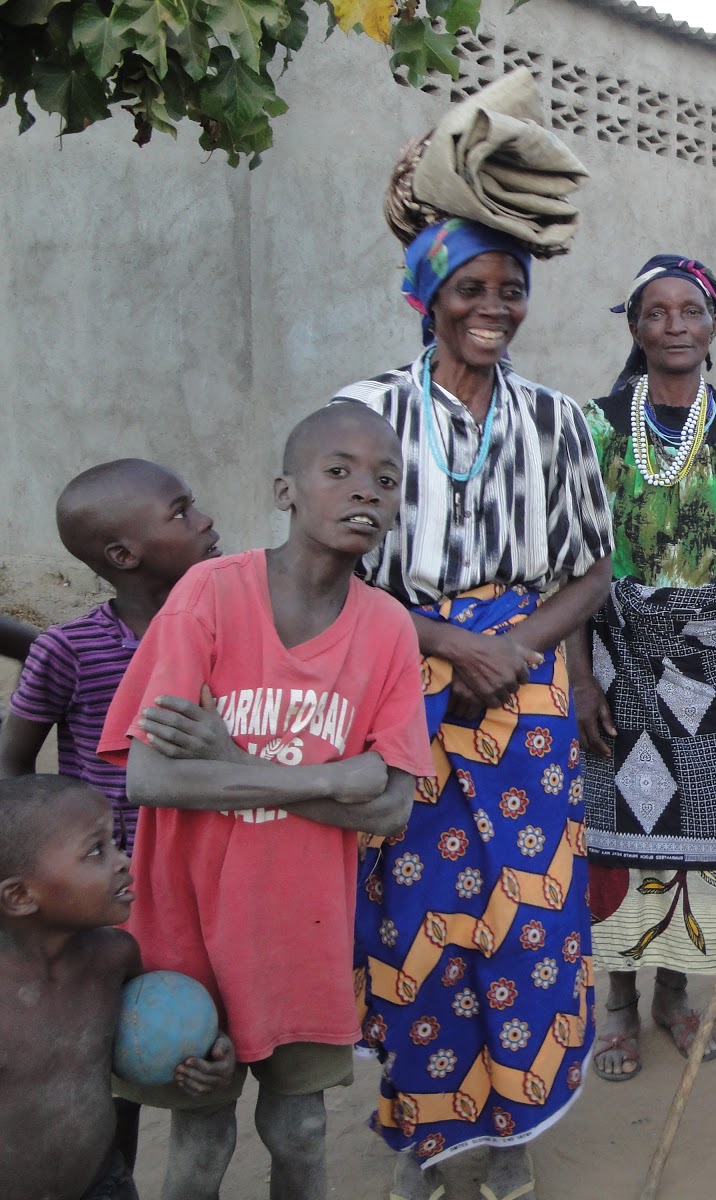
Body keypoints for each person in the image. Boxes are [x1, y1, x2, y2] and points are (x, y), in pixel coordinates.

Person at [333, 216, 614, 1195]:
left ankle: (511, 1128)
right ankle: (431, 1125)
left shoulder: (557, 420)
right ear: (428, 296)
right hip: (399, 674)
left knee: (526, 913)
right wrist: (448, 642)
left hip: (521, 692)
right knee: (420, 910)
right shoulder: (365, 412)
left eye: (511, 290)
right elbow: (330, 568)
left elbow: (593, 569)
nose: (494, 309)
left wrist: (514, 649)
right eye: (472, 289)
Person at [97, 404, 435, 1200]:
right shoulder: (210, 595)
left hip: (298, 933)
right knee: (203, 1141)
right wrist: (325, 776)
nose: (367, 492)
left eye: (386, 481)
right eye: (340, 471)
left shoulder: (386, 628)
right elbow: (150, 777)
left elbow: (390, 809)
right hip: (188, 931)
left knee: (302, 1131)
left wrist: (226, 760)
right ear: (286, 489)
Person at [571, 253, 716, 1082]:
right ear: (635, 327)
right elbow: (577, 558)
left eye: (690, 311)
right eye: (655, 312)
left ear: (714, 324)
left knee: (705, 838)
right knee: (619, 840)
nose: (674, 325)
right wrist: (581, 679)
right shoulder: (596, 425)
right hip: (623, 661)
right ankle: (621, 1006)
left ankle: (675, 994)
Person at [0, 458, 220, 1173]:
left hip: (203, 874)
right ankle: (106, 1173)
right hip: (111, 890)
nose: (205, 520)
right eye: (181, 512)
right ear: (123, 555)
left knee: (186, 1031)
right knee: (107, 1047)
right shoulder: (68, 651)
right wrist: (42, 857)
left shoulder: (231, 634)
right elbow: (14, 761)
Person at [0, 775, 236, 1200]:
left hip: (103, 1183)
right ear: (19, 896)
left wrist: (208, 1049)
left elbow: (152, 1027)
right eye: (95, 851)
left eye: (117, 842)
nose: (123, 860)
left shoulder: (114, 957)